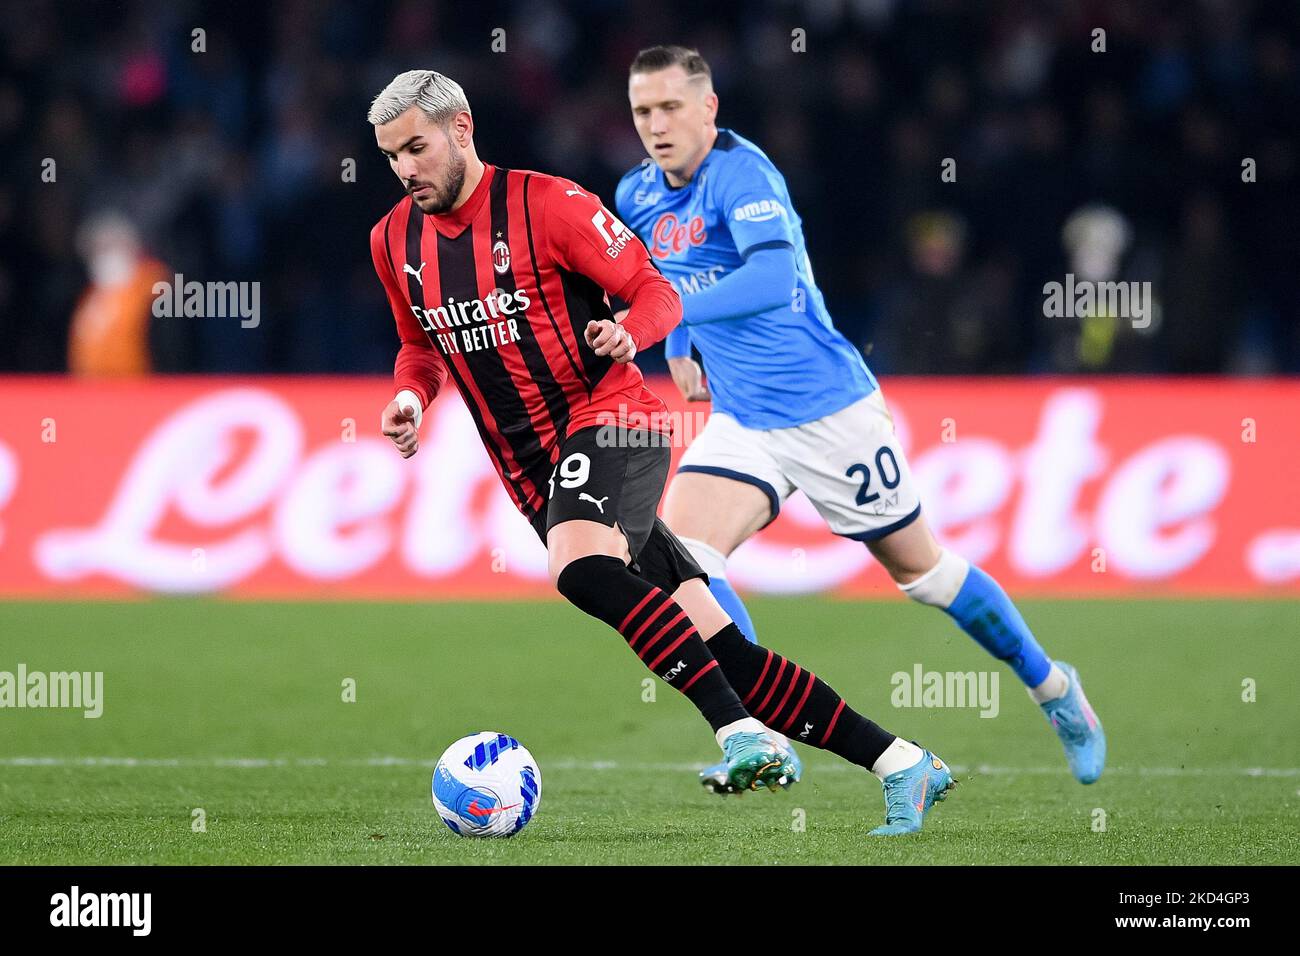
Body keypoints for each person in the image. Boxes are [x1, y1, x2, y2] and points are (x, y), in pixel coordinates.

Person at [370, 68, 954, 835]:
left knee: (581, 570)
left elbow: (654, 288)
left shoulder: (552, 204)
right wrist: (413, 396)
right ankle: (902, 762)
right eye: (390, 156)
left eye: (416, 147)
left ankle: (739, 731)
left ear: (462, 129)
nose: (406, 169)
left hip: (613, 421)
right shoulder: (393, 241)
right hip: (534, 470)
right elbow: (421, 346)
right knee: (726, 650)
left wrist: (632, 334)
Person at [613, 46, 1105, 793]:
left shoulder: (745, 175)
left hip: (827, 411)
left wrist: (666, 318)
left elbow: (773, 276)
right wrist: (680, 339)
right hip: (745, 418)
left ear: (708, 108)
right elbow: (660, 274)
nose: (656, 124)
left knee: (924, 573)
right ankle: (757, 732)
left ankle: (1054, 688)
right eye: (643, 110)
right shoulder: (637, 192)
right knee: (682, 564)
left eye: (671, 107)